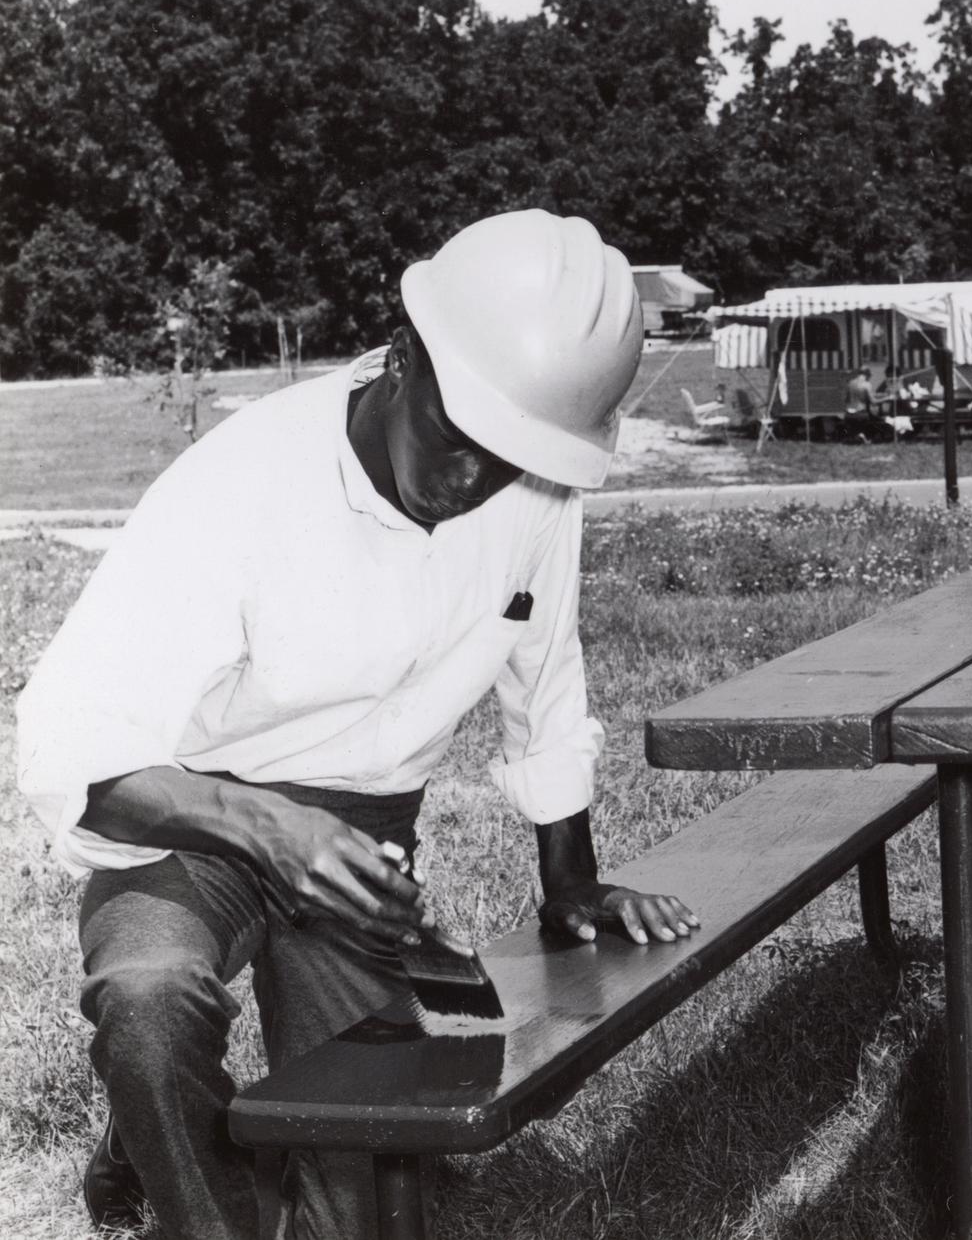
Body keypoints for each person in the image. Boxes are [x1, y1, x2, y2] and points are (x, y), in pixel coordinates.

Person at [16, 209, 701, 1238]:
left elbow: (544, 677)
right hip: (197, 817)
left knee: (361, 1200)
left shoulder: (536, 491)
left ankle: (169, 1137)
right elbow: (66, 738)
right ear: (400, 359)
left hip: (367, 840)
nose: (473, 479)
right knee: (150, 1004)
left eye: (506, 458)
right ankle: (196, 1194)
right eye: (456, 435)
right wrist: (266, 828)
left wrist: (572, 880)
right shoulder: (243, 480)